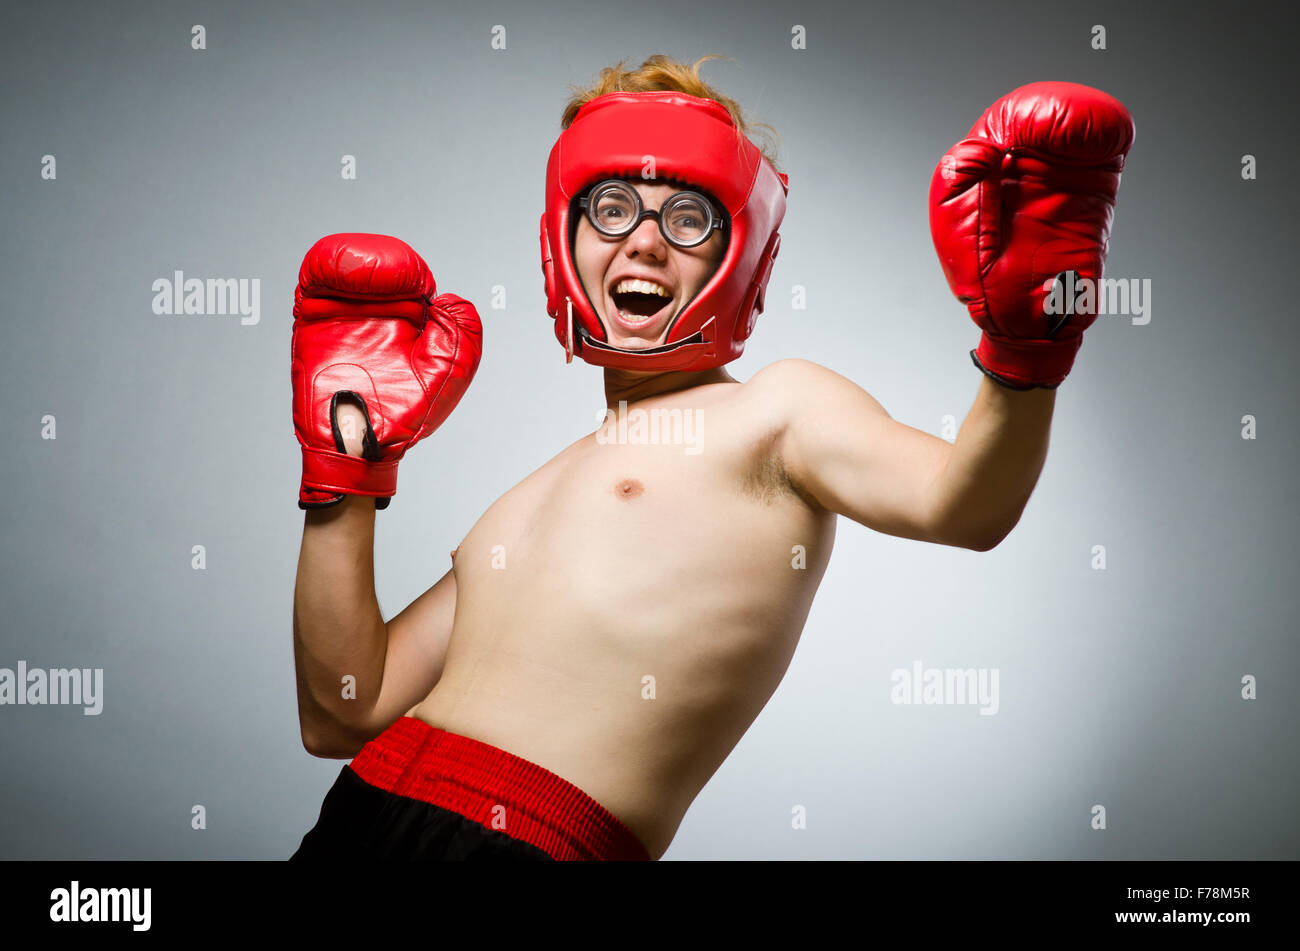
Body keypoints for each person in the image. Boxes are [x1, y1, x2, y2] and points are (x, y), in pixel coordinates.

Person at [288, 55, 1135, 861]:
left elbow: (966, 505)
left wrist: (1026, 347)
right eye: (612, 207)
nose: (645, 243)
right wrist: (345, 472)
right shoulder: (532, 494)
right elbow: (343, 711)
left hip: (528, 845)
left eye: (688, 217)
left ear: (747, 254)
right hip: (353, 819)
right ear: (565, 239)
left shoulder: (776, 408)